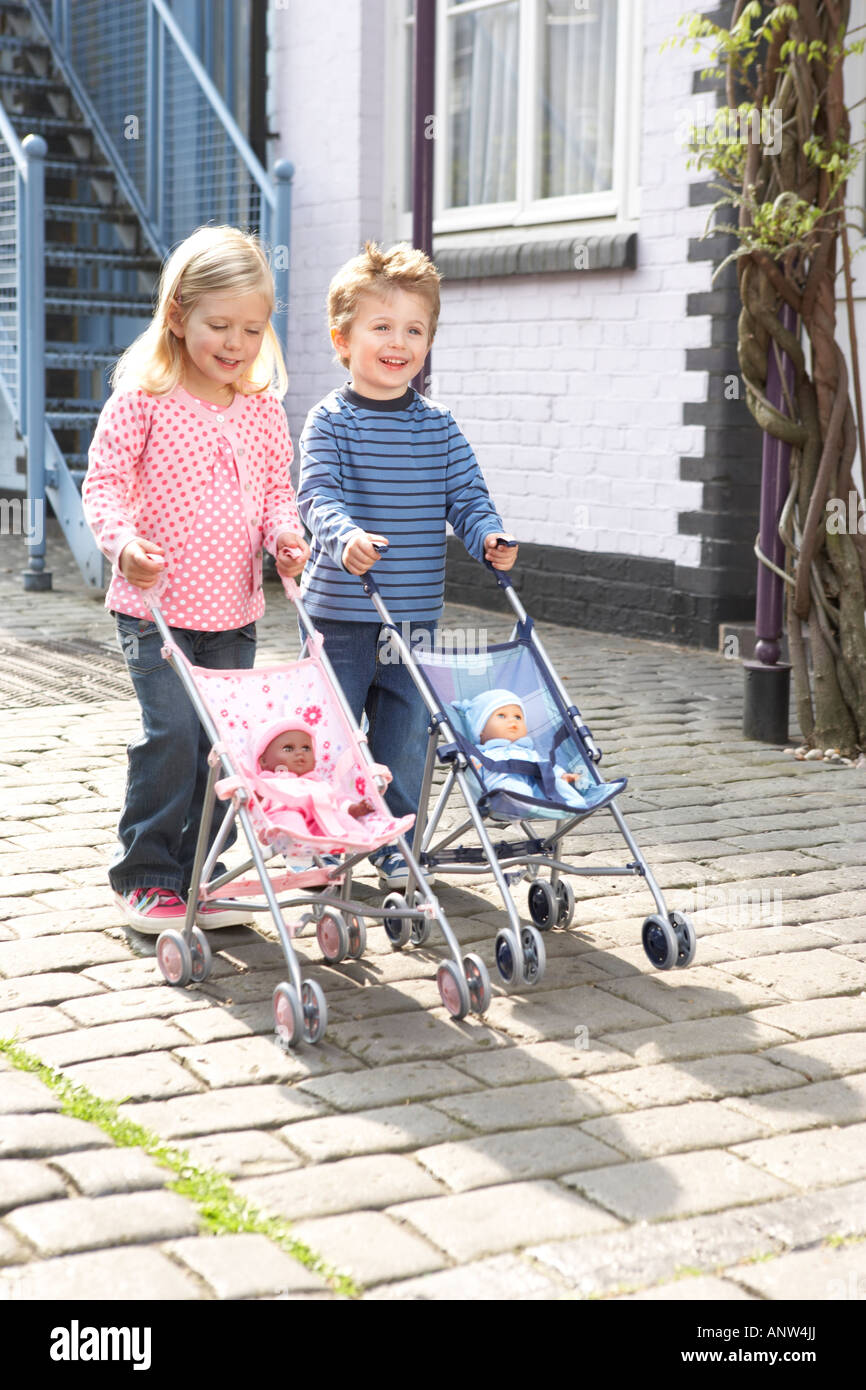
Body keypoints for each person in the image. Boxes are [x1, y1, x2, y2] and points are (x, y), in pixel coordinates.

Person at [83, 225, 309, 933]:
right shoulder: (142, 400)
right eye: (220, 325)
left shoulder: (263, 409)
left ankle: (202, 873)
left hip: (233, 610)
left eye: (252, 327)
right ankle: (147, 873)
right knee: (172, 733)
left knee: (221, 748)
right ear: (178, 315)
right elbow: (104, 488)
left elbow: (278, 491)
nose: (236, 343)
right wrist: (124, 546)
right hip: (154, 609)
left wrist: (285, 536)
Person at [297, 241, 516, 888]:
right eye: (382, 327)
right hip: (338, 616)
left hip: (414, 621)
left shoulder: (440, 428)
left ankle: (397, 849)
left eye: (414, 330)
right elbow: (316, 494)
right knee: (329, 739)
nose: (399, 342)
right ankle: (323, 841)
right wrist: (343, 537)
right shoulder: (329, 422)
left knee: (406, 741)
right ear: (343, 339)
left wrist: (489, 536)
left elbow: (469, 498)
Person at [454, 689, 592, 807]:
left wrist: (562, 775)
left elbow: (546, 767)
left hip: (535, 788)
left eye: (518, 717)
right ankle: (519, 801)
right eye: (501, 716)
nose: (512, 720)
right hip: (502, 790)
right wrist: (472, 768)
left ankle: (576, 803)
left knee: (555, 783)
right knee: (515, 787)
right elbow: (473, 777)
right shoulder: (484, 754)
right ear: (480, 730)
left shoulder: (529, 753)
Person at [253, 719, 375, 839]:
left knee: (339, 818)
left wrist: (353, 809)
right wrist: (254, 795)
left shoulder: (317, 783)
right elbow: (256, 797)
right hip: (283, 819)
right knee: (292, 819)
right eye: (288, 748)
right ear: (263, 761)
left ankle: (361, 839)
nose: (300, 753)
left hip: (319, 822)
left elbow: (335, 800)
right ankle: (300, 847)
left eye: (306, 748)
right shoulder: (269, 781)